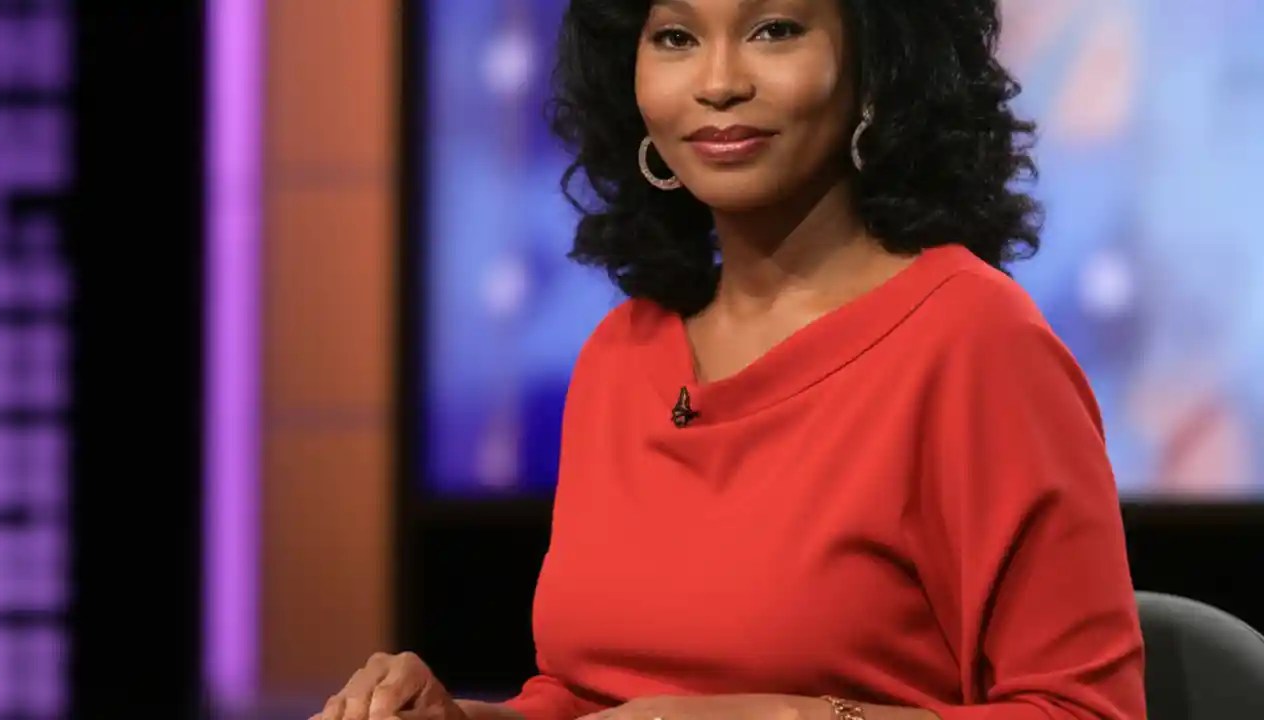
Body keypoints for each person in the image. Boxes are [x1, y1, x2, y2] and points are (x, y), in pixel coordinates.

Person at [314, 0, 1147, 718]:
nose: (717, 83)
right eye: (675, 36)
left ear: (879, 63)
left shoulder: (976, 344)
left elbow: (1087, 711)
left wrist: (796, 716)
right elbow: (591, 696)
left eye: (774, 30)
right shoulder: (621, 355)